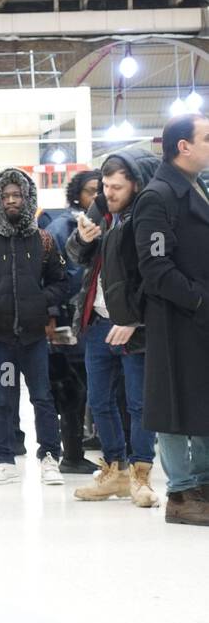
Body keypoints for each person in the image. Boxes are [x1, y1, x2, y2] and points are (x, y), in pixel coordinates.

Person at [0, 169, 69, 486]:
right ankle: (4, 459)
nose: (10, 201)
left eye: (16, 195)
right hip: (1, 339)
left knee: (43, 397)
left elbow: (61, 283)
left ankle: (50, 457)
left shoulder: (44, 241)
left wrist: (40, 301)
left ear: (27, 198)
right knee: (3, 398)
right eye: (5, 196)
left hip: (34, 340)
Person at [67, 148, 160, 506]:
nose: (109, 193)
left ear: (135, 185)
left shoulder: (146, 216)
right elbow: (75, 256)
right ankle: (114, 470)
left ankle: (141, 475)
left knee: (138, 403)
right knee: (99, 401)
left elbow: (152, 276)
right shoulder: (100, 212)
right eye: (105, 185)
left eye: (117, 186)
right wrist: (83, 238)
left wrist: (134, 320)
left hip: (134, 326)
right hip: (97, 322)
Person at [133, 113, 209, 526]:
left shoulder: (195, 188)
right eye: (207, 138)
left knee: (199, 401)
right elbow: (155, 265)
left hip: (197, 321)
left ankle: (202, 485)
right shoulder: (159, 196)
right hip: (177, 320)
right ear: (184, 146)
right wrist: (199, 300)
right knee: (176, 405)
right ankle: (181, 492)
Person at [47, 169, 102, 474]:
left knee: (98, 386)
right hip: (70, 319)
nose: (96, 195)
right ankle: (71, 453)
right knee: (72, 386)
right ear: (77, 194)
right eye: (90, 190)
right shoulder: (61, 227)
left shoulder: (110, 223)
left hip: (101, 318)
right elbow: (54, 275)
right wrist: (53, 316)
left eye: (101, 189)